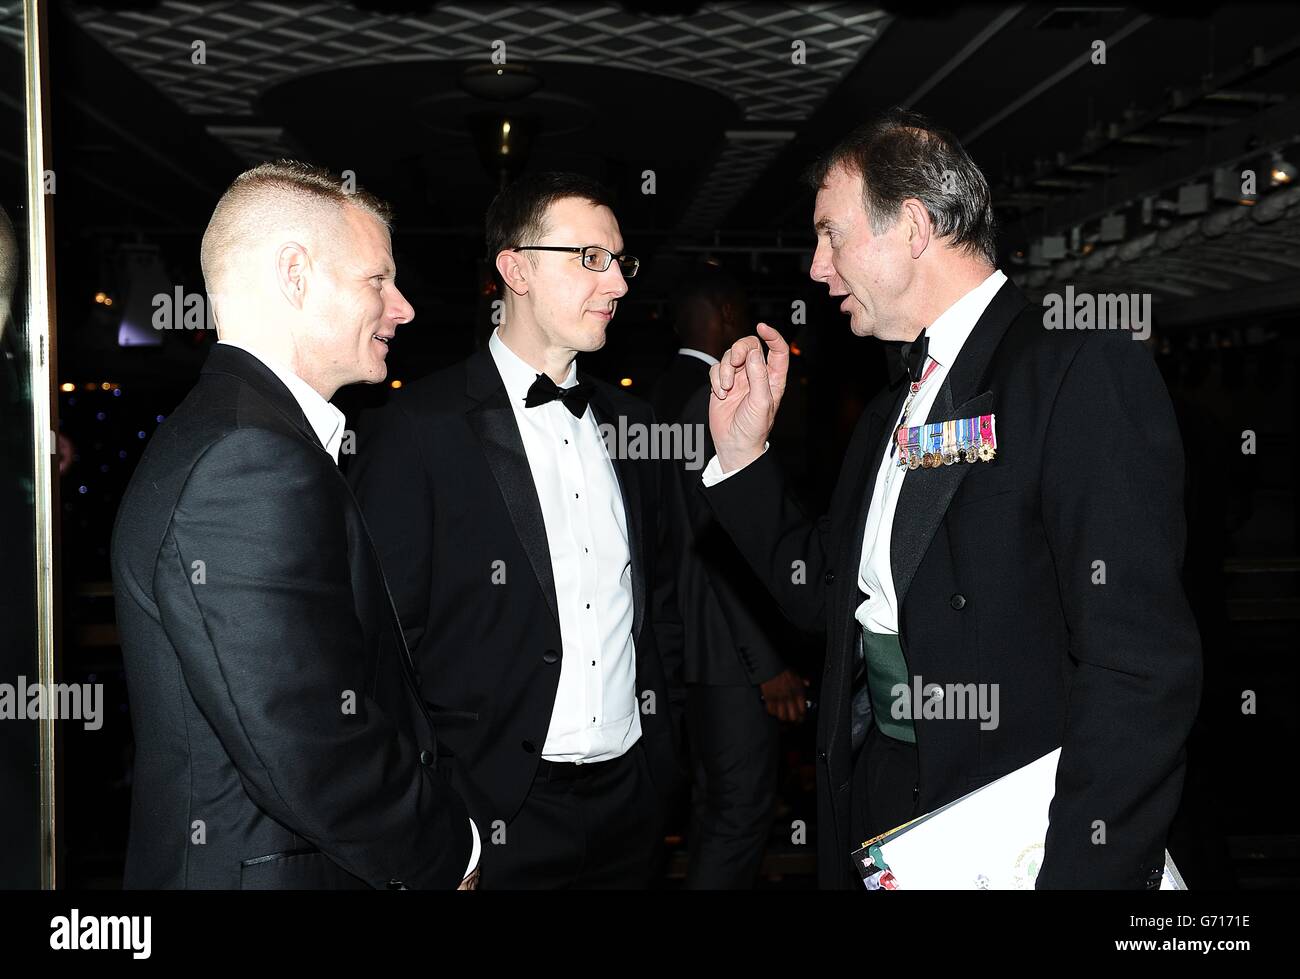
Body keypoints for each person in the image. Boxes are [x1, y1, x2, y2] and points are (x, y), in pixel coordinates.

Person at [703, 109, 1201, 889]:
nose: (816, 268)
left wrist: (1084, 869)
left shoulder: (1074, 369)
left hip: (1013, 826)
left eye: (831, 235)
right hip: (885, 799)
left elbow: (1138, 669)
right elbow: (824, 598)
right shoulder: (887, 409)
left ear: (912, 225)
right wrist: (741, 459)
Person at [111, 161, 478, 889]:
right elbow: (310, 743)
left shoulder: (236, 431)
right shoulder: (246, 457)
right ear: (295, 275)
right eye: (378, 280)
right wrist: (451, 854)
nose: (402, 307)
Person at [348, 171, 685, 889]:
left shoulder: (637, 430)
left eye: (620, 261)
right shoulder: (418, 430)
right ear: (516, 268)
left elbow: (661, 606)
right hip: (489, 815)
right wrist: (429, 818)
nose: (617, 283)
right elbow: (380, 648)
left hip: (633, 804)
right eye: (589, 258)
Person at [652, 264, 806, 889]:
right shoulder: (713, 399)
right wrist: (766, 662)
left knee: (713, 811)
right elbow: (725, 545)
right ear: (719, 314)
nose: (742, 328)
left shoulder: (658, 393)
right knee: (739, 817)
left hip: (682, 644)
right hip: (727, 651)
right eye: (739, 314)